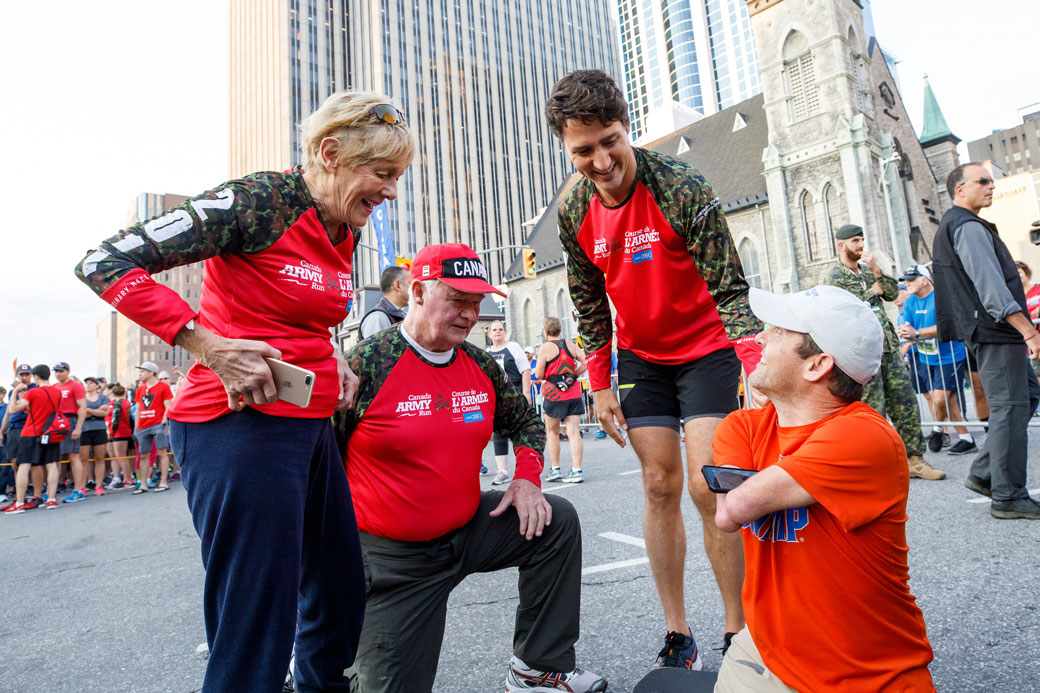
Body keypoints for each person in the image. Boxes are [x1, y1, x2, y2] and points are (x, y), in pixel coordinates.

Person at [76, 91, 414, 691]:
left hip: (308, 428)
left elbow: (302, 312)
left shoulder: (342, 223)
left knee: (338, 596)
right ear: (329, 154)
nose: (391, 192)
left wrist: (333, 356)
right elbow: (105, 261)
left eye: (397, 178)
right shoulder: (259, 200)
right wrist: (203, 343)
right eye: (383, 174)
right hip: (238, 425)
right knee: (257, 624)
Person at [545, 69, 760, 666]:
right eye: (583, 149)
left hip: (707, 347)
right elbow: (588, 302)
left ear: (627, 128)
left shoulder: (681, 186)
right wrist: (600, 384)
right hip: (641, 356)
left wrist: (757, 366)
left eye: (610, 140)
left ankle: (739, 630)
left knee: (707, 483)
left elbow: (732, 290)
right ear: (568, 149)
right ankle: (678, 634)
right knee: (659, 483)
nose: (601, 159)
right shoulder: (574, 211)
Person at [339, 243, 605, 693]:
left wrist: (525, 478)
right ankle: (317, 657)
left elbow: (524, 422)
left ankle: (536, 670)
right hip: (393, 561)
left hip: (467, 532)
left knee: (555, 521)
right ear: (418, 292)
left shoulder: (480, 363)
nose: (469, 314)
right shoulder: (368, 363)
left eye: (477, 303)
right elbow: (317, 457)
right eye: (458, 300)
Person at [712, 285, 936, 692]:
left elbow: (733, 505)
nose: (759, 337)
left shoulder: (863, 436)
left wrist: (750, 486)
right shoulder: (740, 425)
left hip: (867, 676)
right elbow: (727, 512)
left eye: (778, 330)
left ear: (816, 365)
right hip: (763, 653)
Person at [932, 163, 1040, 519]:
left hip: (989, 331)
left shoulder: (958, 225)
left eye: (992, 180)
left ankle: (983, 471)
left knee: (1027, 396)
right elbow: (991, 287)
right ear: (961, 189)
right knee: (1010, 406)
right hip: (996, 331)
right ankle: (1008, 496)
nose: (991, 186)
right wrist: (1028, 330)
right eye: (984, 181)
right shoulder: (966, 226)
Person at [823, 224, 946, 480]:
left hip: (888, 347)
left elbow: (892, 293)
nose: (860, 245)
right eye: (855, 241)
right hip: (861, 352)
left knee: (905, 402)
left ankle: (914, 459)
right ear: (841, 245)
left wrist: (878, 272)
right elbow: (839, 309)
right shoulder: (834, 276)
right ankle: (875, 466)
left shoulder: (868, 271)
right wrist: (871, 292)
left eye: (862, 240)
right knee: (872, 410)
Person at [896, 265, 976, 455]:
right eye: (906, 279)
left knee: (940, 398)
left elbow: (948, 325)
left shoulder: (942, 298)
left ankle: (937, 429)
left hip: (949, 355)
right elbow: (907, 326)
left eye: (912, 279)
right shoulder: (910, 302)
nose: (907, 283)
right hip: (926, 356)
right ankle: (966, 438)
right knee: (950, 400)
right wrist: (905, 332)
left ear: (924, 280)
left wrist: (917, 333)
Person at [4, 365, 64, 514]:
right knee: (51, 465)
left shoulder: (33, 392)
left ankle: (19, 502)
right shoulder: (57, 392)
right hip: (50, 432)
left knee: (24, 466)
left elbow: (12, 410)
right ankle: (51, 499)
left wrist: (15, 392)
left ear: (36, 377)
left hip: (31, 432)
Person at [536, 317, 588, 483]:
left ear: (545, 332)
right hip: (572, 391)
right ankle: (576, 470)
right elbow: (586, 361)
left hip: (553, 393)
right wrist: (574, 375)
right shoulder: (570, 345)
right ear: (560, 329)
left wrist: (547, 375)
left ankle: (556, 469)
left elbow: (538, 374)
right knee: (574, 432)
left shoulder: (545, 348)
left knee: (552, 432)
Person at [486, 319, 533, 485]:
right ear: (489, 333)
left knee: (519, 434)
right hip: (497, 401)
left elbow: (525, 370)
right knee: (499, 434)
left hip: (515, 397)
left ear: (504, 332)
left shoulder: (513, 347)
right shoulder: (487, 352)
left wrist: (526, 393)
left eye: (500, 329)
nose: (498, 331)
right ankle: (502, 471)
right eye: (494, 329)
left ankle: (524, 471)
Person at [1, 365, 44, 508]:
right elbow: (9, 411)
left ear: (31, 375)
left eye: (27, 374)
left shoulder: (34, 389)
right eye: (22, 374)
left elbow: (25, 407)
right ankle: (21, 496)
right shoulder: (13, 391)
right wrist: (2, 431)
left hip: (29, 426)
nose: (24, 377)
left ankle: (37, 496)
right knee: (15, 464)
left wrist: (19, 392)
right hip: (14, 428)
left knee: (33, 463)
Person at [131, 362, 174, 493]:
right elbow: (138, 409)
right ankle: (143, 484)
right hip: (143, 426)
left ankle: (163, 482)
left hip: (157, 424)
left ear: (151, 372)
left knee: (161, 452)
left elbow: (168, 406)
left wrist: (164, 422)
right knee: (143, 455)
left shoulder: (163, 387)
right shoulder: (140, 389)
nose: (141, 374)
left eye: (143, 371)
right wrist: (136, 427)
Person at [52, 362, 89, 502]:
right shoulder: (54, 387)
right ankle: (51, 490)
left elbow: (83, 407)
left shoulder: (75, 385)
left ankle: (78, 490)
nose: (58, 373)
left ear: (68, 371)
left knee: (74, 456)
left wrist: (78, 427)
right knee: (55, 457)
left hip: (71, 420)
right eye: (56, 371)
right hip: (56, 423)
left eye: (61, 371)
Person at [358, 265, 410, 338]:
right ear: (397, 285)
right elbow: (377, 349)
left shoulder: (402, 314)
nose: (414, 288)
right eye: (410, 283)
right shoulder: (378, 317)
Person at [80, 377, 111, 496]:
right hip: (85, 430)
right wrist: (96, 410)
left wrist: (87, 410)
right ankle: (82, 486)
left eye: (91, 383)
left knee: (100, 459)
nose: (88, 385)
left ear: (97, 386)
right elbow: (81, 414)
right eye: (86, 383)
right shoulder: (82, 398)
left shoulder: (103, 397)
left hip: (99, 429)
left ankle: (99, 485)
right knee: (83, 460)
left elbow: (105, 412)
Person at [105, 383, 135, 489]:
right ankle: (118, 478)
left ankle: (128, 479)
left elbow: (115, 418)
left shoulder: (116, 403)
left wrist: (111, 431)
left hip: (119, 431)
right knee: (116, 456)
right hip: (120, 431)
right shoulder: (127, 402)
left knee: (121, 456)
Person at [1016, 260, 1040, 377]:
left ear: (1026, 273)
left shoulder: (1038, 289)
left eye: (1019, 272)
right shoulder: (1014, 297)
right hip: (1030, 345)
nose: (1017, 275)